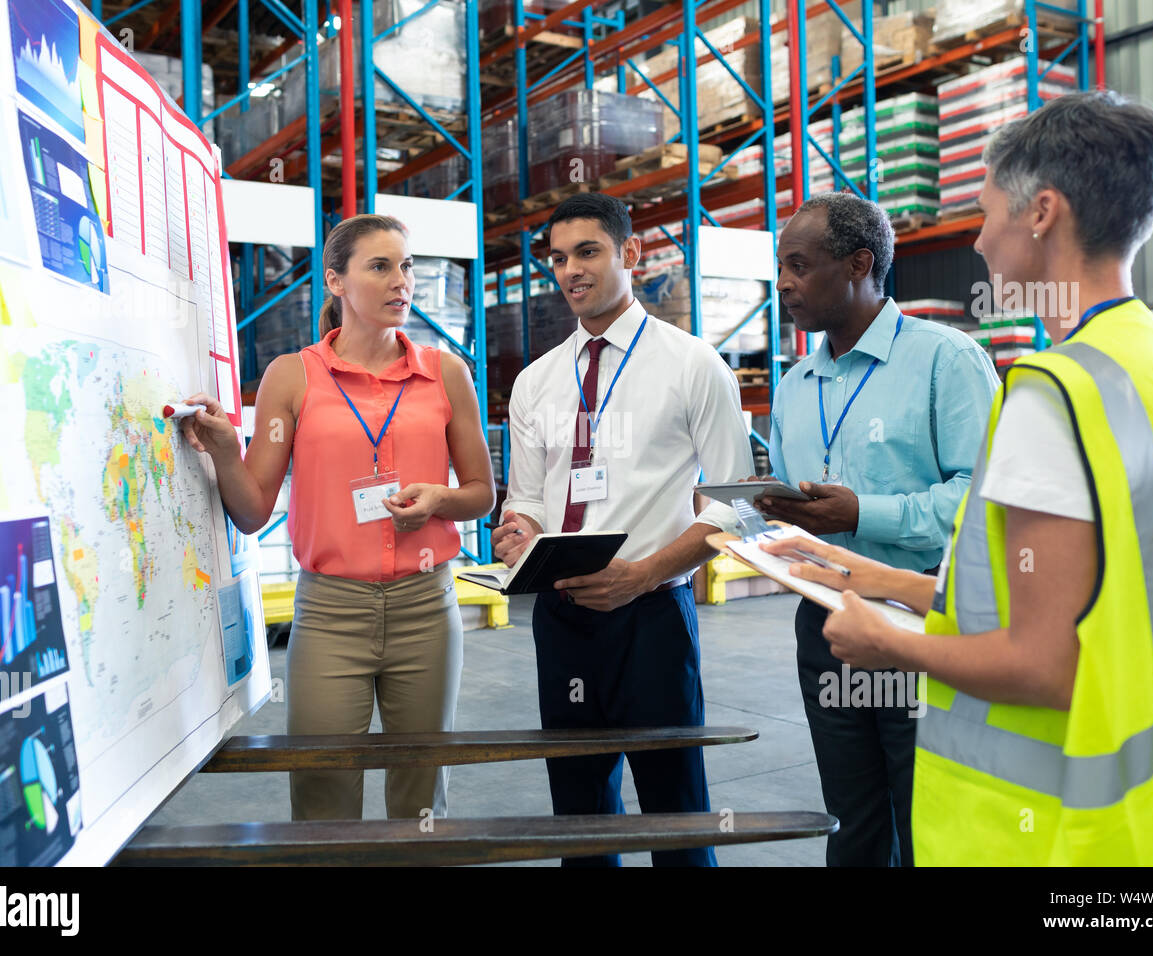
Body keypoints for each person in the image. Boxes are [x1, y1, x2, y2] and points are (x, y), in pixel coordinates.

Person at [763, 91, 1153, 865]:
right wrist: (890, 581)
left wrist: (890, 642)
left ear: (1041, 211)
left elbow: (1043, 662)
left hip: (1063, 817)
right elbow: (1078, 592)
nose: (978, 242)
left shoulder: (1052, 392)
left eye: (985, 214)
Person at [179, 213, 495, 821]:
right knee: (321, 789)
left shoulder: (446, 374)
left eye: (407, 266)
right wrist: (223, 448)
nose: (401, 280)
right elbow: (251, 512)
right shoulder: (293, 376)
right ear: (336, 281)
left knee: (421, 792)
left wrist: (439, 500)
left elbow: (482, 492)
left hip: (426, 607)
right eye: (380, 266)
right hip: (329, 613)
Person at [492, 192, 754, 867]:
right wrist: (517, 529)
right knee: (580, 819)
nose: (570, 270)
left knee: (677, 814)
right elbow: (525, 497)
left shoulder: (694, 365)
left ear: (630, 254)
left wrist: (642, 574)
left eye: (587, 251)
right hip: (562, 619)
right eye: (557, 258)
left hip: (652, 619)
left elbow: (735, 506)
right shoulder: (537, 382)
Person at [758, 192, 999, 866]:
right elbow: (797, 499)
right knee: (852, 819)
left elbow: (980, 504)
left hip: (918, 617)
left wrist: (861, 513)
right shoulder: (797, 384)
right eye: (781, 266)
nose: (783, 284)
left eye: (800, 266)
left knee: (927, 818)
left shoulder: (946, 362)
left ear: (860, 263)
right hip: (825, 623)